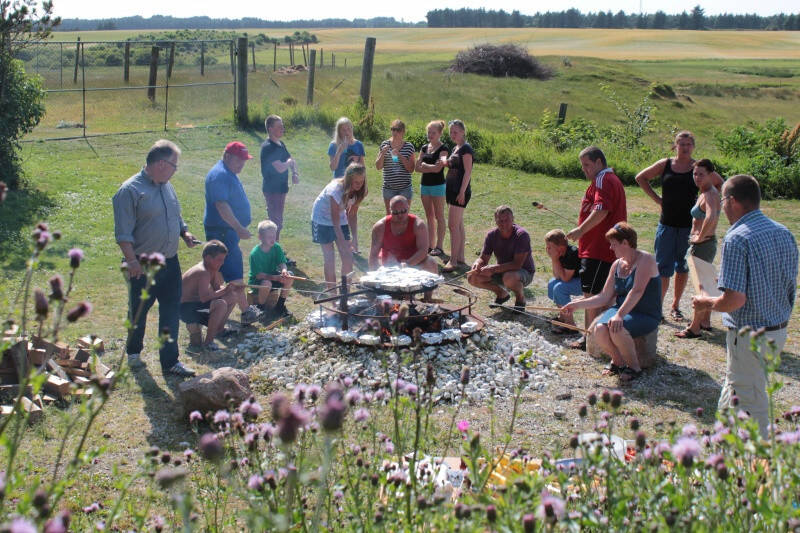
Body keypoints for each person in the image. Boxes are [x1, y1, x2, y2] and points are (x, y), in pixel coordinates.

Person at [693, 175, 797, 438]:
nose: (720, 208)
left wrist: (705, 303)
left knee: (751, 399)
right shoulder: (783, 232)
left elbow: (734, 301)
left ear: (733, 201)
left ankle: (760, 461)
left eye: (723, 200)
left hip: (750, 333)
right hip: (777, 329)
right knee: (737, 387)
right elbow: (783, 283)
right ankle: (723, 444)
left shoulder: (737, 237)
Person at [112, 139, 198, 377]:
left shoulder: (167, 186)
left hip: (170, 261)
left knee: (170, 311)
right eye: (174, 165)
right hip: (144, 264)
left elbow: (176, 215)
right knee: (139, 310)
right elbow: (123, 234)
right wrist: (131, 262)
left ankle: (170, 362)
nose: (175, 170)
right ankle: (133, 352)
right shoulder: (129, 191)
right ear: (161, 163)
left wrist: (185, 233)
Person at [635, 131, 723, 321]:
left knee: (682, 268)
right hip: (666, 224)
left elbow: (720, 184)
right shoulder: (665, 164)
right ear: (675, 146)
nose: (685, 148)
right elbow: (641, 177)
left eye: (688, 144)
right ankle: (658, 308)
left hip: (688, 227)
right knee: (662, 268)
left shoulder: (698, 167)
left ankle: (675, 306)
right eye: (681, 144)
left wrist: (709, 201)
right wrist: (657, 199)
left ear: (693, 146)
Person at [563, 223, 662, 382]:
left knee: (616, 328)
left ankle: (634, 368)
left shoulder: (646, 260)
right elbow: (604, 296)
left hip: (645, 312)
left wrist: (619, 316)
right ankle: (618, 362)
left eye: (614, 244)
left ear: (625, 243)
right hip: (622, 309)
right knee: (599, 329)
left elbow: (637, 291)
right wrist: (576, 305)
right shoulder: (617, 265)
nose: (611, 248)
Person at [566, 146, 627, 349]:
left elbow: (601, 210)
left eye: (587, 165)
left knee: (591, 297)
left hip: (599, 249)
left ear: (599, 162)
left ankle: (588, 339)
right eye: (582, 165)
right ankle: (598, 339)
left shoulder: (604, 179)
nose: (584, 170)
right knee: (600, 296)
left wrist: (580, 230)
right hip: (598, 248)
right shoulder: (604, 180)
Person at [204, 141, 262, 324]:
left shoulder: (228, 171)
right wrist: (238, 227)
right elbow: (221, 205)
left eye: (245, 161)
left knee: (220, 272)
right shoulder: (220, 175)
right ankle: (246, 311)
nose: (242, 165)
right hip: (223, 232)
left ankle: (216, 309)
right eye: (240, 160)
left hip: (226, 231)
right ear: (227, 156)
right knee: (234, 270)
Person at [675, 159, 722, 339]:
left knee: (700, 287)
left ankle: (694, 328)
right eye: (695, 174)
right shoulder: (706, 192)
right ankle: (705, 321)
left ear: (711, 175)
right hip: (705, 244)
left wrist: (700, 237)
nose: (697, 177)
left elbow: (711, 217)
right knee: (707, 284)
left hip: (702, 245)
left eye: (701, 174)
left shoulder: (710, 194)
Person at [467, 205, 535, 310]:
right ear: (495, 220)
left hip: (524, 272)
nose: (503, 223)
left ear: (513, 219)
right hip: (502, 271)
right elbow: (483, 258)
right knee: (472, 277)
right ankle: (502, 293)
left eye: (506, 220)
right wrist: (477, 264)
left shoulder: (521, 235)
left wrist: (493, 269)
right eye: (500, 220)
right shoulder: (491, 235)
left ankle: (520, 299)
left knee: (508, 277)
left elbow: (517, 264)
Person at [311, 162, 367, 290]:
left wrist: (355, 239)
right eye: (356, 182)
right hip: (322, 220)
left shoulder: (361, 191)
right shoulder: (336, 189)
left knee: (348, 256)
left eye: (361, 181)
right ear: (348, 180)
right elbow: (334, 222)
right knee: (329, 258)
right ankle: (333, 296)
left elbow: (352, 215)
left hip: (340, 218)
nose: (359, 185)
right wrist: (342, 241)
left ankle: (344, 294)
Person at [180, 240, 237, 351]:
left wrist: (231, 289)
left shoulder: (212, 268)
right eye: (219, 260)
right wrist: (225, 290)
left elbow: (217, 288)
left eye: (223, 259)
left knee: (232, 297)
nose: (222, 263)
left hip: (196, 305)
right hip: (185, 309)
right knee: (220, 304)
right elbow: (204, 297)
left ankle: (219, 330)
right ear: (208, 258)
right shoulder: (203, 272)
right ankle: (208, 343)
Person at [368, 195, 438, 275]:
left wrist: (407, 264)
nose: (400, 215)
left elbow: (423, 251)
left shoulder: (418, 225)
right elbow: (373, 256)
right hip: (388, 265)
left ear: (408, 208)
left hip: (413, 263)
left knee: (431, 263)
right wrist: (373, 277)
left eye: (403, 211)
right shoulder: (380, 227)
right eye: (395, 213)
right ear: (390, 210)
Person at [328, 117, 366, 253]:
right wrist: (339, 151)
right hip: (340, 185)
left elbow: (362, 167)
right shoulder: (333, 145)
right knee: (340, 213)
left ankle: (355, 243)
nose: (347, 132)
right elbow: (332, 167)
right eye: (343, 129)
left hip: (355, 184)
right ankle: (342, 242)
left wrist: (363, 185)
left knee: (352, 213)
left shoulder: (358, 145)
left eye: (349, 128)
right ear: (339, 131)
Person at [260, 115, 299, 242]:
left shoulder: (281, 144)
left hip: (281, 188)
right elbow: (280, 167)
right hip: (272, 189)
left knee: (278, 220)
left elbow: (291, 160)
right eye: (279, 127)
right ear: (270, 129)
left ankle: (274, 245)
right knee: (275, 221)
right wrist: (288, 163)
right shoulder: (268, 147)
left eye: (282, 126)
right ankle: (271, 246)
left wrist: (294, 173)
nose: (282, 129)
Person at [442, 119, 473, 273]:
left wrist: (462, 191)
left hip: (459, 192)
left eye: (455, 132)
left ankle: (453, 261)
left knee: (452, 226)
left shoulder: (466, 148)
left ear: (462, 131)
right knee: (458, 224)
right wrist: (444, 161)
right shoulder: (456, 148)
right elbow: (453, 164)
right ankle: (460, 257)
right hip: (452, 190)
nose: (453, 134)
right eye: (451, 132)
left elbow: (468, 171)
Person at [415, 120, 449, 258]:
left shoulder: (444, 149)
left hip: (438, 186)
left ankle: (439, 247)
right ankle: (430, 245)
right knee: (429, 216)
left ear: (440, 133)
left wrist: (425, 166)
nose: (430, 135)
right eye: (429, 132)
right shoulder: (424, 148)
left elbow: (438, 169)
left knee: (439, 216)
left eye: (433, 132)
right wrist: (428, 166)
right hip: (425, 186)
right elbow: (417, 168)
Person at [248, 220, 293, 319]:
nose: (273, 239)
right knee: (266, 283)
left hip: (272, 277)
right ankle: (260, 308)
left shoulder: (276, 247)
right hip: (257, 281)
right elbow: (259, 275)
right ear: (260, 237)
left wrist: (284, 271)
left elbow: (282, 262)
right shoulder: (255, 253)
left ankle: (280, 306)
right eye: (269, 237)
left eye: (274, 236)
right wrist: (276, 278)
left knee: (289, 277)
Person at [544, 229, 583, 333]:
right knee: (552, 284)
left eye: (549, 247)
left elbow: (565, 278)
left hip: (586, 282)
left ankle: (570, 325)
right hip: (574, 279)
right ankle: (562, 317)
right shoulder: (560, 253)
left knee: (560, 288)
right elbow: (557, 276)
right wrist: (554, 259)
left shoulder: (572, 253)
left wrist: (554, 259)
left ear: (560, 248)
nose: (547, 249)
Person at [375, 119, 415, 215]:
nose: (394, 132)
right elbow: (378, 166)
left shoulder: (409, 147)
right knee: (390, 216)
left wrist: (400, 156)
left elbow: (411, 169)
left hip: (405, 188)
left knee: (404, 216)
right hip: (389, 188)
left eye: (397, 130)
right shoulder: (385, 145)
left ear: (403, 132)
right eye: (392, 129)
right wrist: (383, 153)